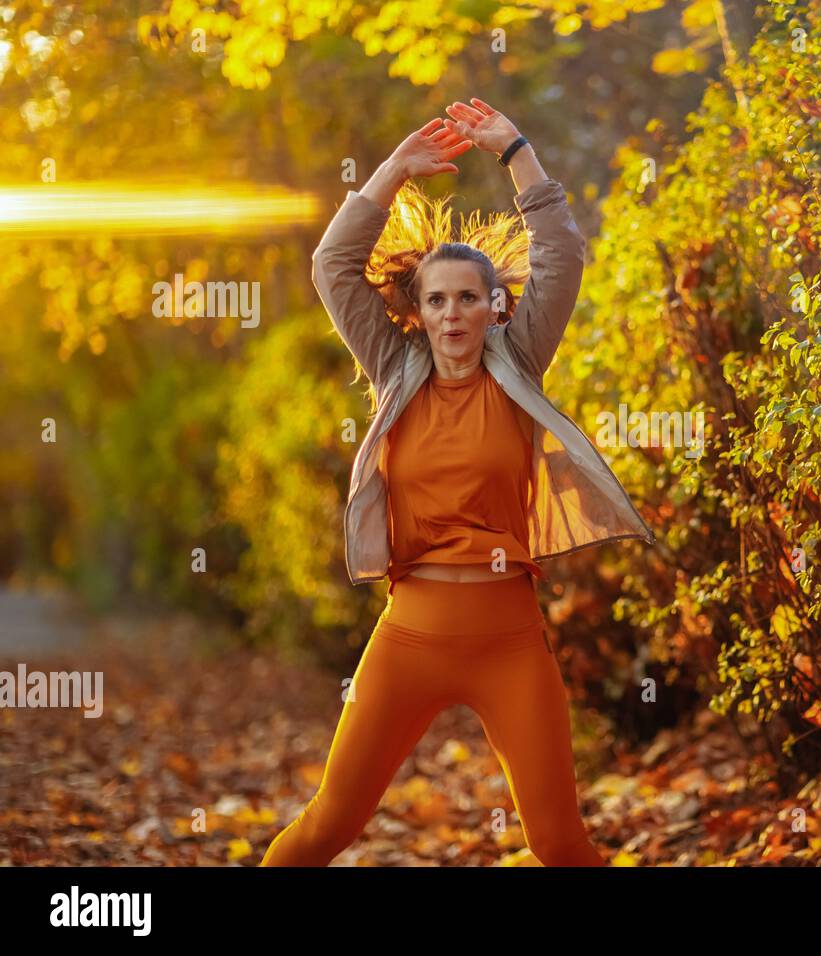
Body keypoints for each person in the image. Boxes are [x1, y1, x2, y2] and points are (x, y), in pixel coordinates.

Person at [260, 98, 655, 867]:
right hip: (409, 635)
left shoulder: (518, 365)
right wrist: (392, 175)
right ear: (417, 310)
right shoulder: (394, 372)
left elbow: (562, 252)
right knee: (327, 825)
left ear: (492, 307)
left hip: (510, 641)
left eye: (468, 299)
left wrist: (518, 153)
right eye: (436, 300)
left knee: (560, 843)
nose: (452, 315)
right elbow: (331, 266)